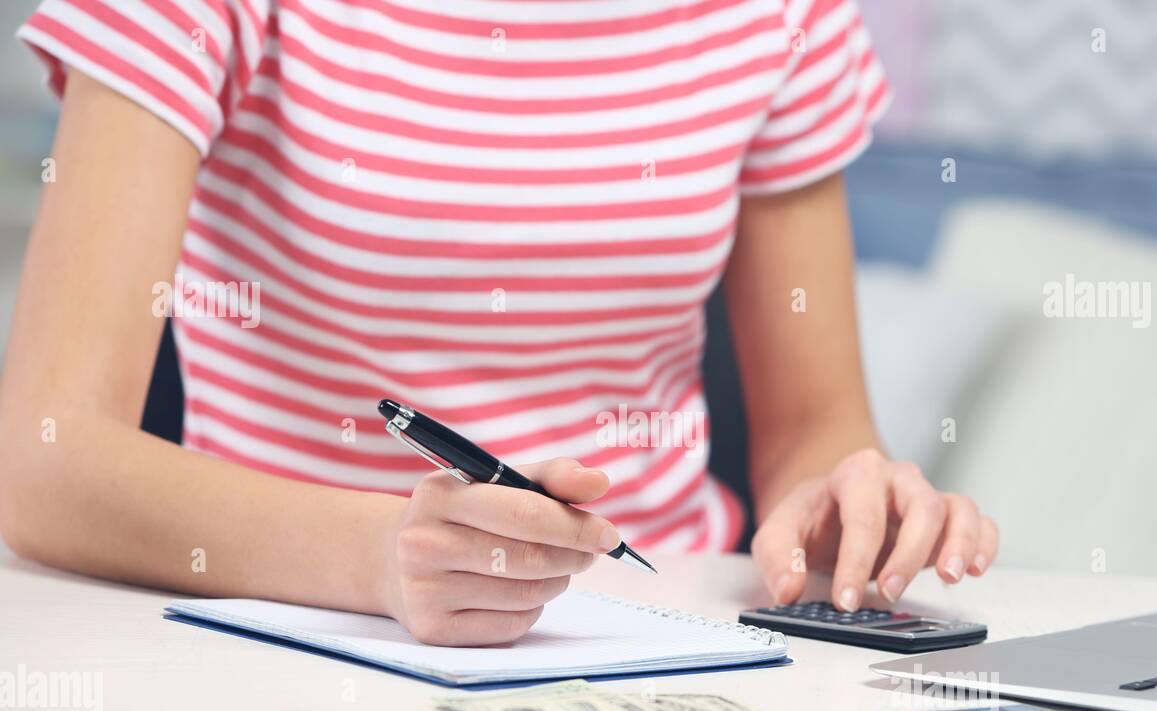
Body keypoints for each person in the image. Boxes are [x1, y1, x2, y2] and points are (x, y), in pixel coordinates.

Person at [0, 0, 997, 646]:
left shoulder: (781, 16)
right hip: (290, 642)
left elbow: (813, 427)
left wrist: (839, 499)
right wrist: (379, 557)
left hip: (681, 645)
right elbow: (46, 457)